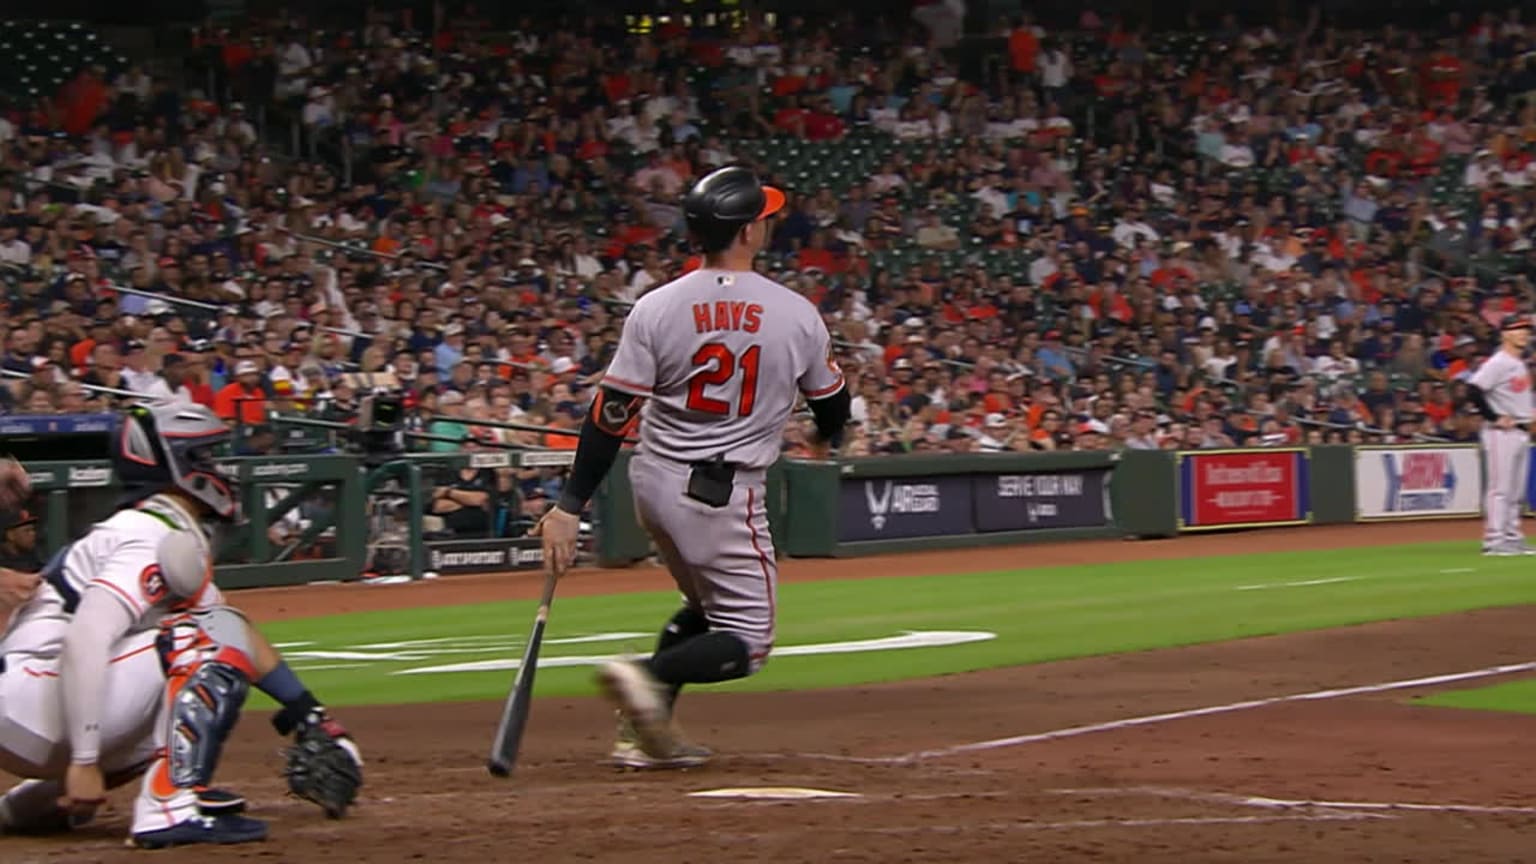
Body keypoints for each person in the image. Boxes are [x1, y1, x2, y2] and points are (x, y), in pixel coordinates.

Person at [534, 166, 851, 769]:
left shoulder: (655, 307)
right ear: (748, 232)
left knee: (707, 609)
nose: (768, 223)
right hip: (724, 493)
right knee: (749, 641)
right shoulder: (795, 313)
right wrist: (823, 435)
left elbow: (611, 413)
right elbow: (834, 404)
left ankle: (645, 735)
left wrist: (570, 505)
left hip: (653, 482)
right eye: (763, 216)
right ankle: (647, 678)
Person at [0, 403, 363, 847]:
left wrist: (313, 717)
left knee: (201, 655)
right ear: (179, 464)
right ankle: (166, 809)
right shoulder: (147, 531)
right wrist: (86, 758)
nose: (217, 469)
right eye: (205, 457)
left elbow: (238, 634)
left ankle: (29, 805)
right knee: (202, 639)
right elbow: (87, 635)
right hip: (34, 693)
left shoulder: (160, 526)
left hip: (26, 712)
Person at [1465, 314, 1534, 556]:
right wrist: (1493, 417)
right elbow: (1472, 389)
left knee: (1515, 491)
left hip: (1521, 431)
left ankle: (1512, 536)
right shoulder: (1500, 361)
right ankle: (1494, 540)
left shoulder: (1518, 362)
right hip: (1500, 433)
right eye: (1517, 329)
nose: (1524, 333)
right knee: (1500, 489)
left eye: (1525, 329)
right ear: (1504, 333)